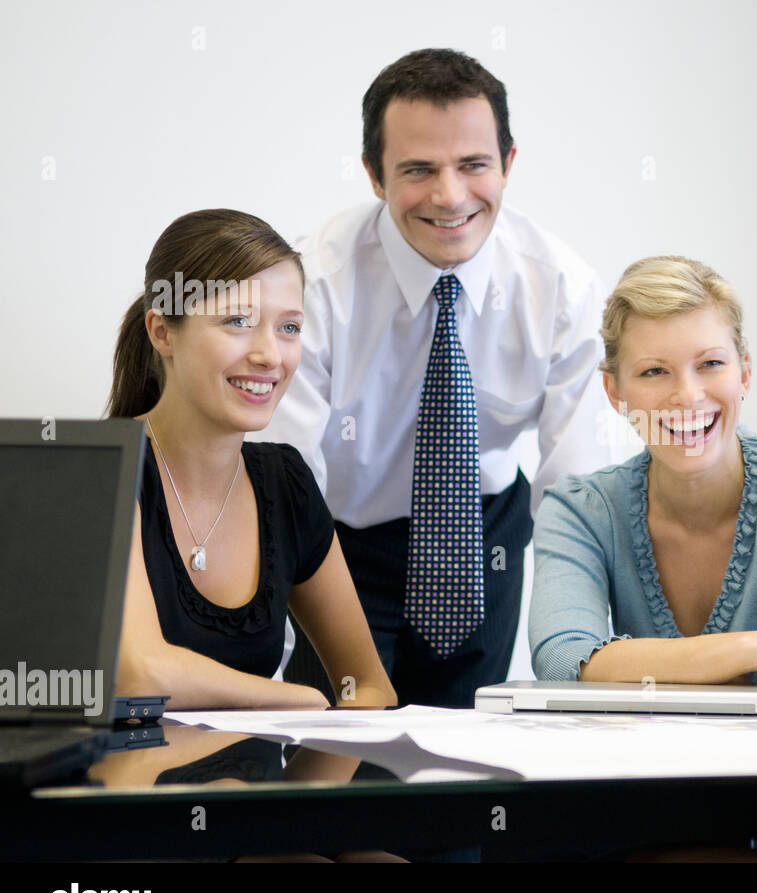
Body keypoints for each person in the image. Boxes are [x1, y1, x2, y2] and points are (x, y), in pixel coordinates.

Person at [256, 49, 626, 709]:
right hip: (339, 541)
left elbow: (575, 486)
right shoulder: (314, 282)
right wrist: (267, 661)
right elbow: (285, 478)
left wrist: (582, 656)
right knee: (340, 759)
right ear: (374, 174)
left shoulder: (561, 285)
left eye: (474, 165)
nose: (450, 196)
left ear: (509, 164)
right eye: (418, 169)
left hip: (482, 538)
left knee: (462, 768)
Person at [108, 209, 397, 711]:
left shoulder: (285, 482)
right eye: (237, 321)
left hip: (255, 788)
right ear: (162, 331)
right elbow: (140, 674)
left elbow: (369, 686)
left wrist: (306, 788)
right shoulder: (102, 468)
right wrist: (299, 701)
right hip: (122, 788)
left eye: (289, 328)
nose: (270, 355)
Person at [529, 256, 757, 685]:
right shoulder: (581, 510)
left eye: (710, 364)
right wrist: (756, 648)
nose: (688, 396)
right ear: (615, 394)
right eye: (654, 371)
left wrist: (625, 665)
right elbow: (562, 661)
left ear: (745, 373)